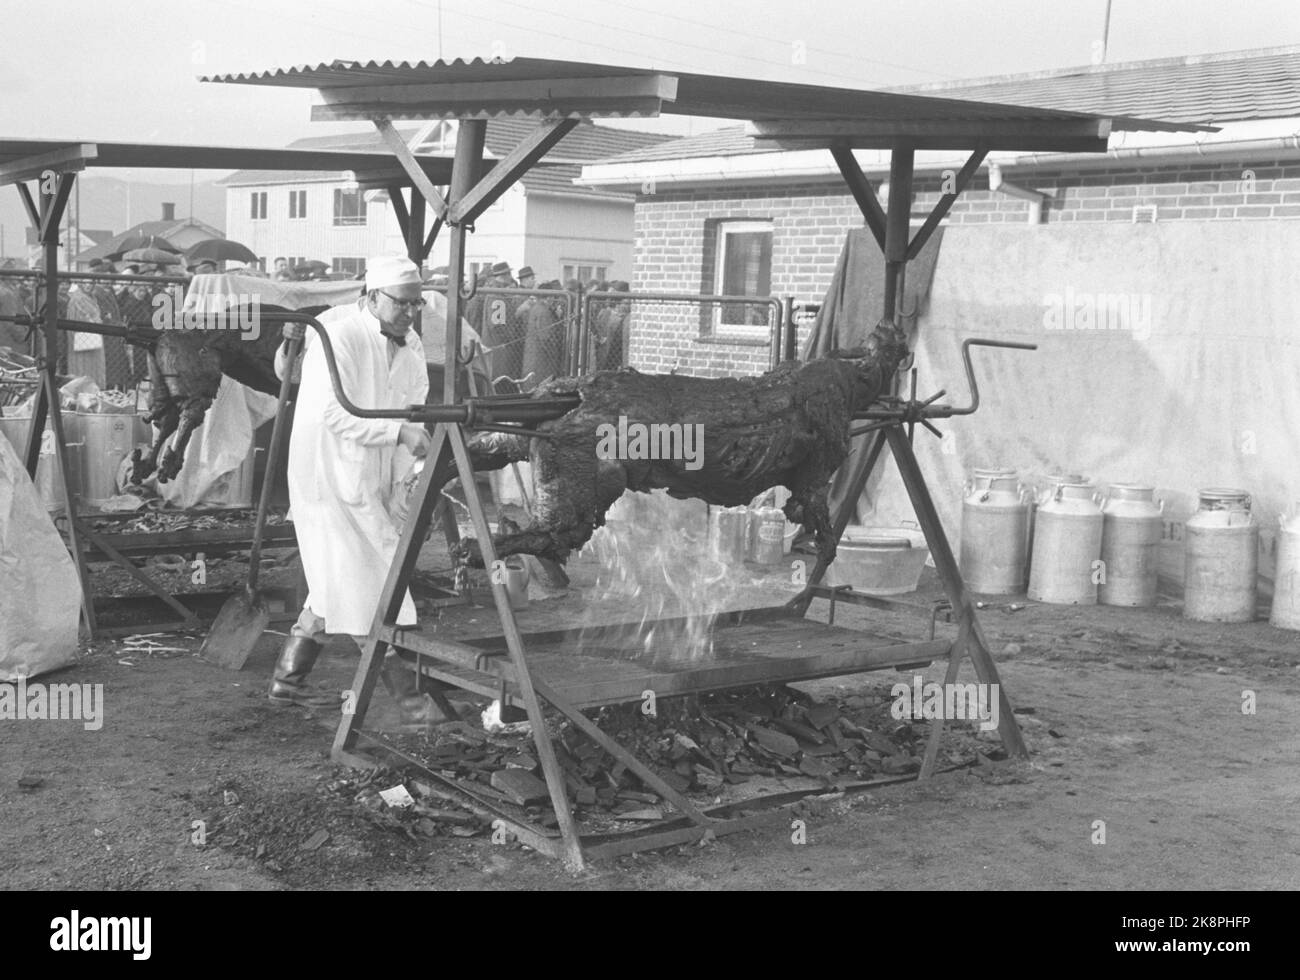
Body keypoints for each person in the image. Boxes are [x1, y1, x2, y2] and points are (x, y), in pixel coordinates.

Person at [267, 255, 441, 725]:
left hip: (373, 472)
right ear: (372, 297)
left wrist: (406, 473)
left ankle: (286, 686)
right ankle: (413, 704)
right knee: (365, 584)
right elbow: (335, 413)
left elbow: (415, 411)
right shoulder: (336, 335)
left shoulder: (410, 343)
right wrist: (397, 435)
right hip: (327, 473)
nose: (408, 312)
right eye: (400, 303)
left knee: (335, 581)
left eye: (415, 304)